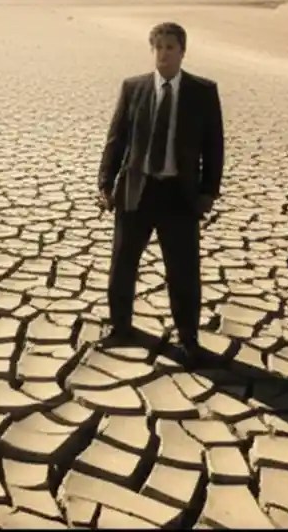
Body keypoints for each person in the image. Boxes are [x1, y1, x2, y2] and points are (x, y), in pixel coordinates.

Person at [97, 21, 225, 365]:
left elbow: (214, 147)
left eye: (171, 47)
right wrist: (105, 184)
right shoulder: (133, 87)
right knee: (123, 265)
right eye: (159, 47)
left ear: (183, 52)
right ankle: (121, 328)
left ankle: (189, 340)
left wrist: (208, 192)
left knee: (183, 271)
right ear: (152, 50)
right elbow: (116, 139)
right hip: (137, 191)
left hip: (179, 196)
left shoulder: (203, 91)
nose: (164, 53)